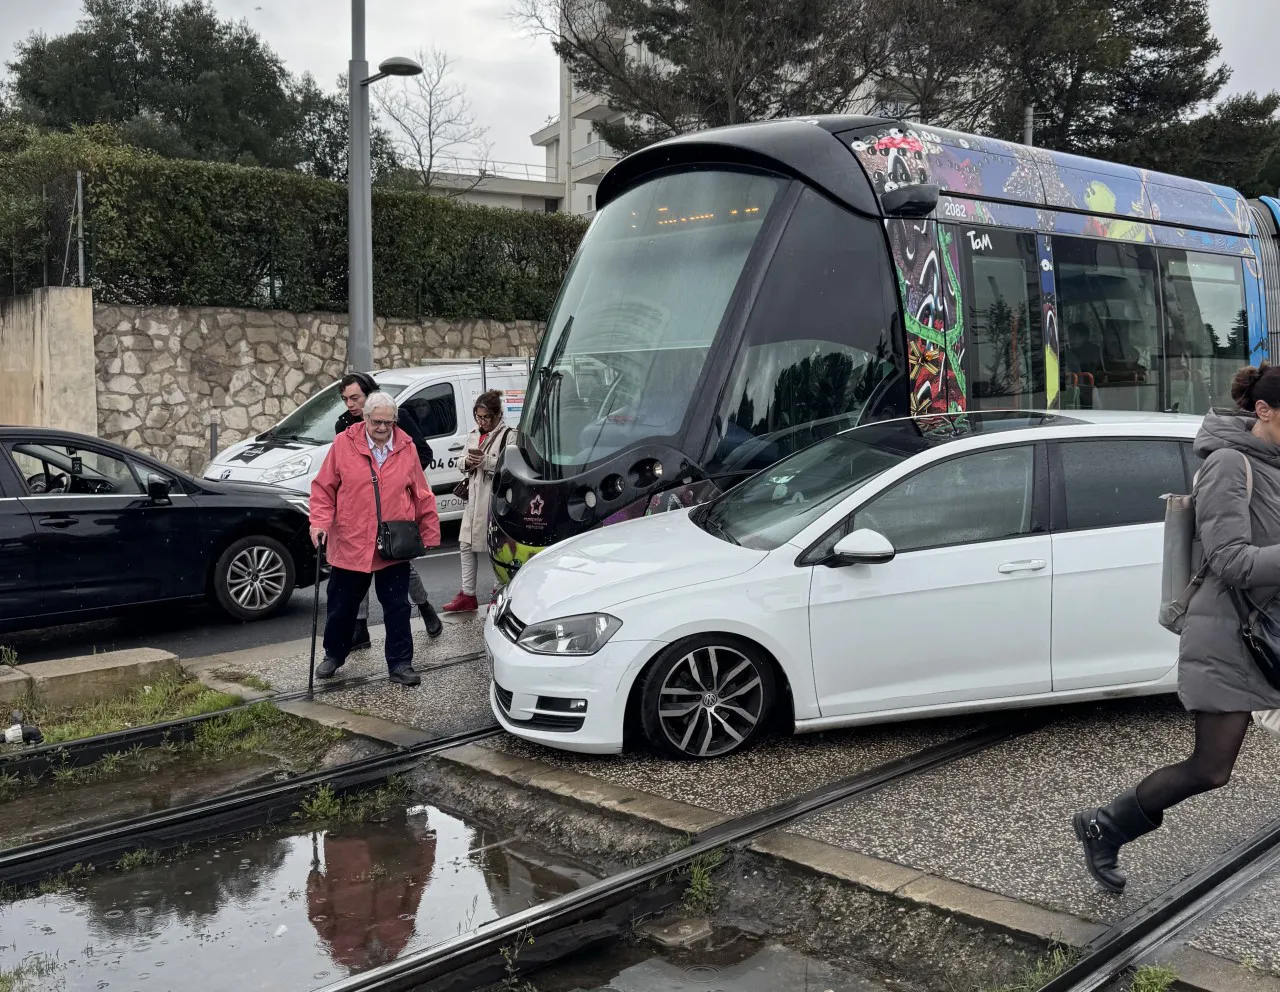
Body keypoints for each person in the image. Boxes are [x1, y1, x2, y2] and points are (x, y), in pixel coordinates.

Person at [1073, 361, 1280, 894]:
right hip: (1232, 636)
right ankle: (1105, 825)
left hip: (1270, 626)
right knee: (1211, 768)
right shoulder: (1230, 465)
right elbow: (1231, 561)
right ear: (1263, 410)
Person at [310, 391, 441, 687]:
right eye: (377, 421)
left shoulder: (405, 446)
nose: (383, 428)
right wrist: (318, 523)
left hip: (392, 543)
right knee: (341, 605)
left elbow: (421, 492)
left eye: (388, 422)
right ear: (366, 418)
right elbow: (323, 489)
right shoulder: (344, 443)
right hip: (350, 540)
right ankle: (334, 653)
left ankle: (400, 663)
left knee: (396, 606)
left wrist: (429, 532)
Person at [334, 372, 442, 646]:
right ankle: (359, 628)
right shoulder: (343, 426)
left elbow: (422, 455)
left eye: (354, 397)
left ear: (369, 394)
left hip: (393, 514)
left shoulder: (398, 418)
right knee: (359, 568)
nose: (350, 404)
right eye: (345, 399)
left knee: (399, 562)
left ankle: (424, 605)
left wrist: (396, 482)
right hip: (360, 515)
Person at [442, 390, 515, 613]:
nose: (482, 422)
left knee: (496, 547)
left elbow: (510, 465)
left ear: (497, 415)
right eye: (479, 417)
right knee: (465, 544)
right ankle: (467, 594)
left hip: (493, 498)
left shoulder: (509, 435)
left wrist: (485, 462)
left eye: (486, 418)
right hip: (473, 499)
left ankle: (499, 590)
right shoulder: (474, 433)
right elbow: (460, 460)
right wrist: (467, 462)